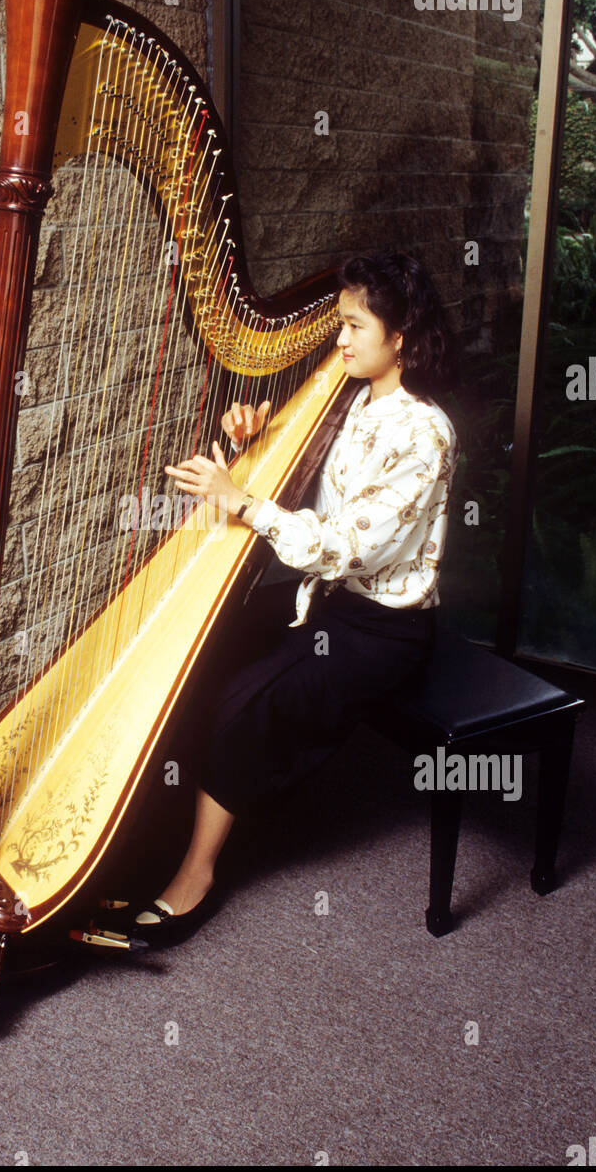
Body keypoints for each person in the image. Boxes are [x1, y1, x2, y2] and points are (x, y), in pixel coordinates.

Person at [91, 251, 459, 949]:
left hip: (382, 632)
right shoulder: (350, 398)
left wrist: (240, 500)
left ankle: (193, 878)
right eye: (339, 325)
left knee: (246, 704)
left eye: (354, 326)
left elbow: (349, 547)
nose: (340, 341)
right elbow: (303, 484)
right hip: (323, 607)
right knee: (195, 658)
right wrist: (255, 444)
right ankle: (138, 840)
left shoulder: (423, 432)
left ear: (401, 334)